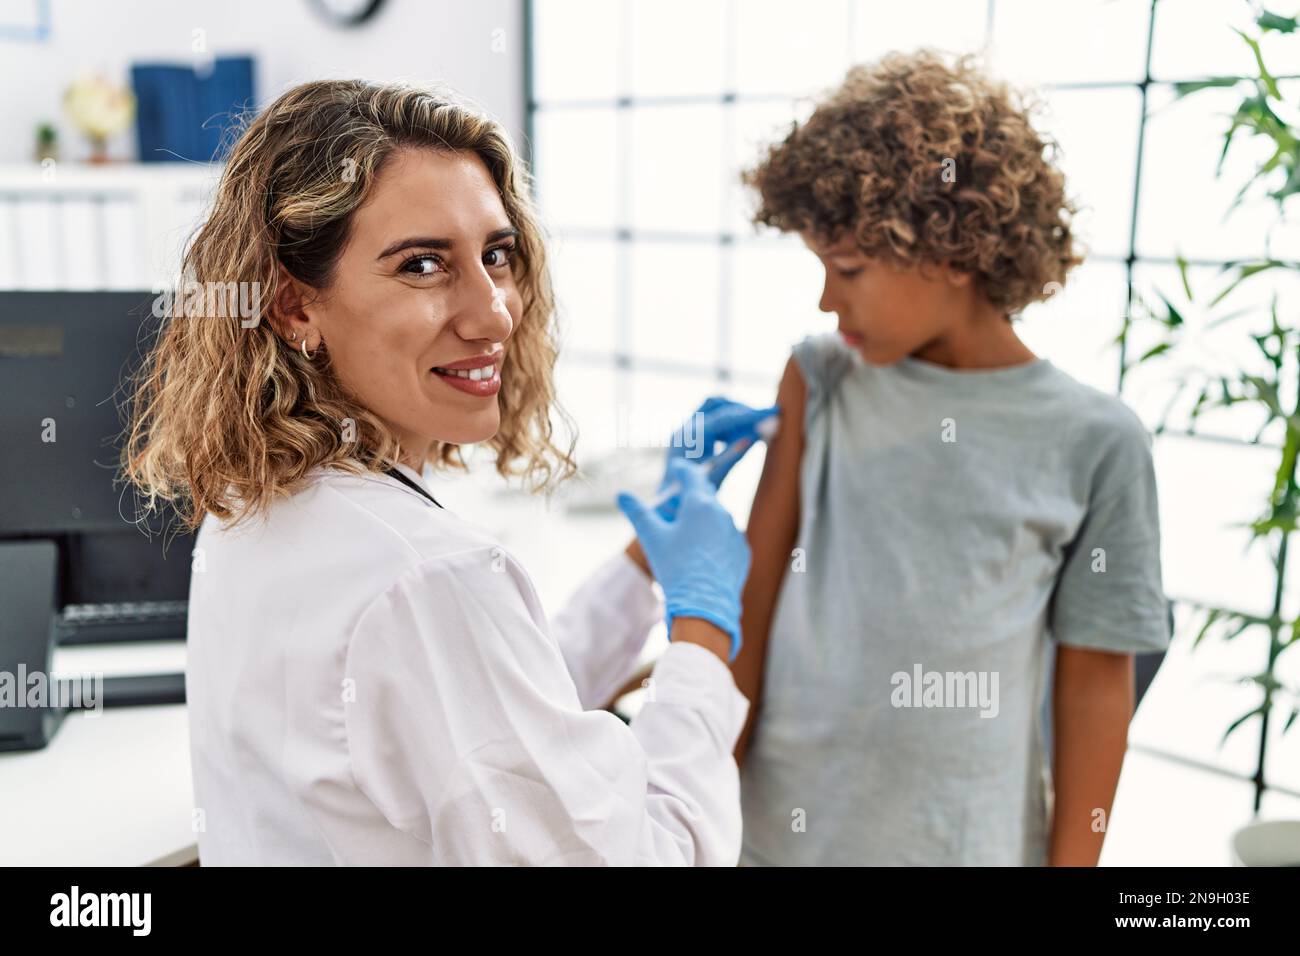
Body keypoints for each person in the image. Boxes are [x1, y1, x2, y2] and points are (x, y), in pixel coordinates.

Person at [122, 78, 770, 866]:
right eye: (423, 265)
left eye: (497, 254)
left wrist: (644, 567)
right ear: (295, 307)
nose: (494, 312)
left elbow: (492, 718)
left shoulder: (255, 506)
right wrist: (702, 632)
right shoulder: (425, 576)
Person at [729, 50, 1170, 866]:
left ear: (954, 251)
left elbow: (1096, 682)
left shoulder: (1097, 440)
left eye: (849, 268)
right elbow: (751, 602)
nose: (828, 299)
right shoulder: (819, 379)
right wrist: (701, 805)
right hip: (777, 836)